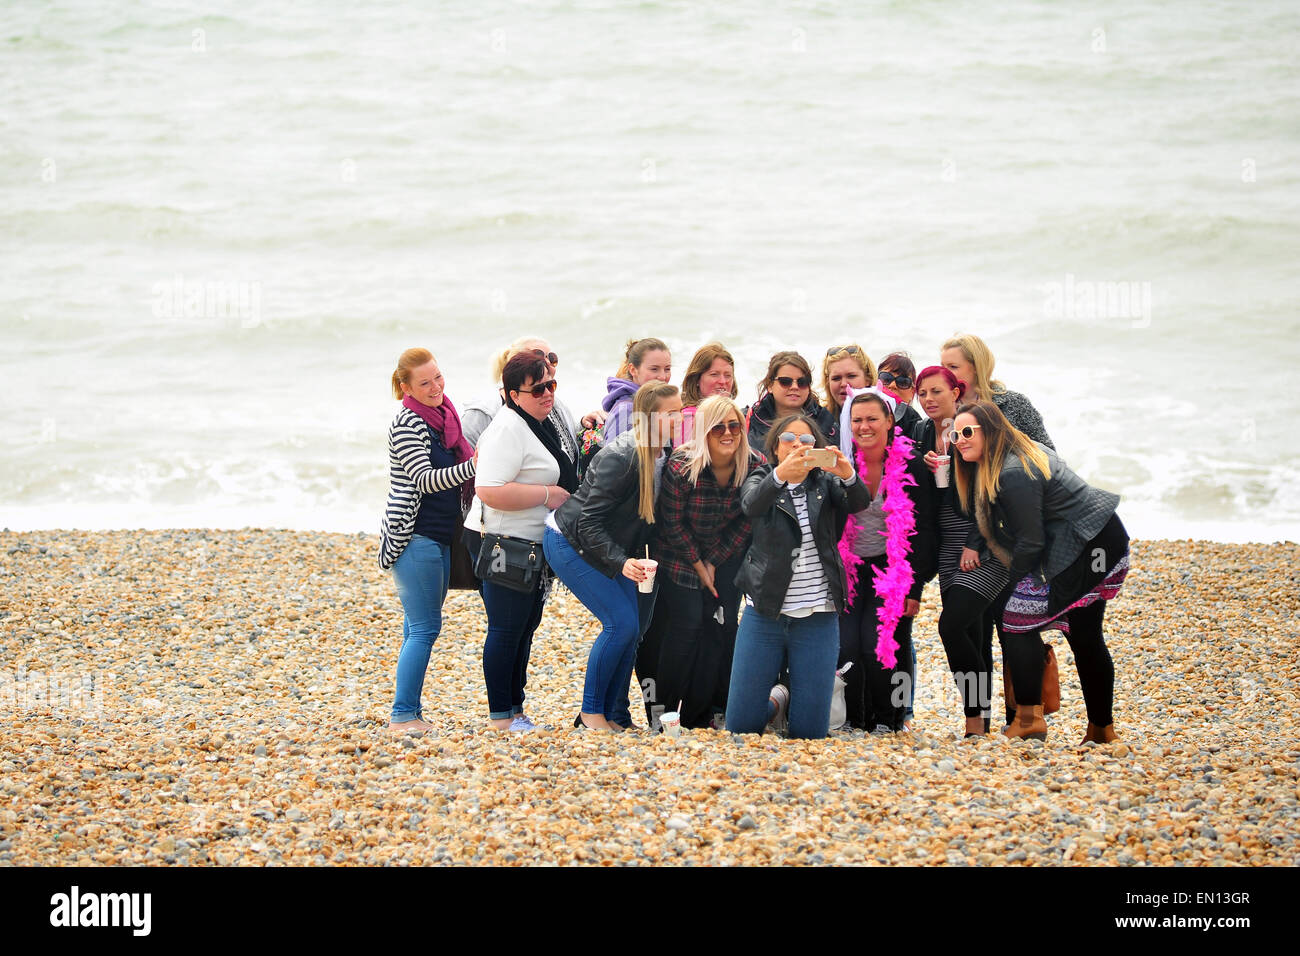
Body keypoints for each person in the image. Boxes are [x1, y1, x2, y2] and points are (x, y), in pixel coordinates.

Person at [950, 400, 1129, 744]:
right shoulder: (1001, 461)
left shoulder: (1014, 471)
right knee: (1082, 634)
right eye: (955, 434)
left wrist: (1016, 585)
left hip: (1093, 543)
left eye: (968, 432)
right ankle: (1100, 731)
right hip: (1088, 541)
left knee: (1020, 622)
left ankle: (1033, 720)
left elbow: (1030, 541)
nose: (959, 440)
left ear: (993, 431)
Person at [544, 382, 683, 731]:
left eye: (680, 411)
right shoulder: (621, 456)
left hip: (612, 546)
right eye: (671, 414)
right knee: (620, 624)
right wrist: (621, 562)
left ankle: (617, 715)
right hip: (568, 540)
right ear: (649, 418)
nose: (679, 419)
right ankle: (591, 715)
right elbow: (588, 522)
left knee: (633, 628)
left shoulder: (660, 450)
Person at [725, 414, 868, 740]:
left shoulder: (825, 482)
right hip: (765, 611)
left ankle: (787, 701)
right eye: (789, 439)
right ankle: (777, 701)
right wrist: (779, 476)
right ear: (775, 447)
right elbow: (751, 504)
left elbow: (859, 502)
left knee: (809, 734)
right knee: (741, 728)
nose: (797, 446)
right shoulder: (761, 476)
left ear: (816, 448)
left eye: (806, 441)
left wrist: (847, 474)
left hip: (818, 615)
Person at [466, 353, 578, 732]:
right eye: (538, 389)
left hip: (534, 543)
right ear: (514, 394)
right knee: (505, 628)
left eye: (551, 385)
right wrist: (547, 494)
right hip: (507, 544)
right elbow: (489, 489)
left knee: (525, 626)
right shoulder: (507, 428)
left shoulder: (540, 421)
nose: (548, 394)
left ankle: (516, 710)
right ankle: (501, 716)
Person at [379, 348, 477, 734]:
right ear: (405, 387)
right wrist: (476, 465)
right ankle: (402, 716)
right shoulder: (406, 423)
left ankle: (410, 711)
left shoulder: (443, 417)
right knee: (424, 629)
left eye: (438, 377)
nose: (436, 387)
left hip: (440, 537)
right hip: (414, 537)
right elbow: (424, 479)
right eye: (425, 382)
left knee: (416, 628)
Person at [652, 395, 761, 729]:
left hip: (724, 556)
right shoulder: (682, 466)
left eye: (734, 426)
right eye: (717, 427)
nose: (727, 433)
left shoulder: (753, 465)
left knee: (720, 629)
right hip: (678, 554)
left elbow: (747, 521)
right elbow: (671, 522)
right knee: (686, 627)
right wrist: (700, 564)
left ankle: (699, 716)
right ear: (702, 430)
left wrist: (713, 561)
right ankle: (662, 716)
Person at [835, 388, 936, 733]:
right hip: (849, 568)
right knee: (848, 644)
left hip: (893, 570)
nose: (864, 426)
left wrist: (915, 587)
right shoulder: (842, 466)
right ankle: (855, 719)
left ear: (889, 421)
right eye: (857, 420)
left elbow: (924, 531)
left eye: (872, 419)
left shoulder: (911, 466)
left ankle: (892, 719)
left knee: (884, 646)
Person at [914, 366, 1008, 737]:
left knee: (950, 627)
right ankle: (980, 724)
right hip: (945, 545)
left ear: (957, 392)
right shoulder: (921, 432)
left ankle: (974, 719)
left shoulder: (969, 426)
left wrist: (974, 541)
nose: (929, 399)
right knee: (974, 635)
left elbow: (991, 490)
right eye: (923, 394)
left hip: (979, 541)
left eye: (937, 391)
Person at [461, 336, 598, 450]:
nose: (547, 363)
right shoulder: (483, 412)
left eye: (552, 358)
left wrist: (583, 424)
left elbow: (563, 443)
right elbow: (467, 460)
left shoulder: (551, 400)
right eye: (537, 357)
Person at [940, 334, 1053, 448]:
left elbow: (1048, 453)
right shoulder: (942, 409)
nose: (944, 374)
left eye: (953, 367)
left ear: (976, 366)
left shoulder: (1014, 402)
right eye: (942, 367)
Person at [746, 350, 838, 450]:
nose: (794, 387)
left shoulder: (827, 423)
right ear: (770, 385)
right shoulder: (747, 421)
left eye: (802, 382)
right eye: (785, 381)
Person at [601, 338, 672, 441]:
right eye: (654, 369)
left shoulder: (654, 403)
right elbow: (610, 456)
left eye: (667, 369)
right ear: (633, 370)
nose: (662, 376)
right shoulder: (627, 410)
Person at [678, 342, 738, 443]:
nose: (723, 381)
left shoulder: (734, 416)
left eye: (728, 375)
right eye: (714, 374)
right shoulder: (688, 419)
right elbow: (683, 458)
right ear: (696, 379)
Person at [820, 344, 877, 422]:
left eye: (851, 376)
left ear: (868, 379)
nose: (844, 384)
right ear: (828, 382)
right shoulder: (818, 423)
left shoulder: (886, 416)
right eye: (836, 378)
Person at [877, 352, 923, 437]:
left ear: (912, 392)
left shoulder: (918, 425)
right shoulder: (858, 411)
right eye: (886, 378)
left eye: (903, 382)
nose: (892, 385)